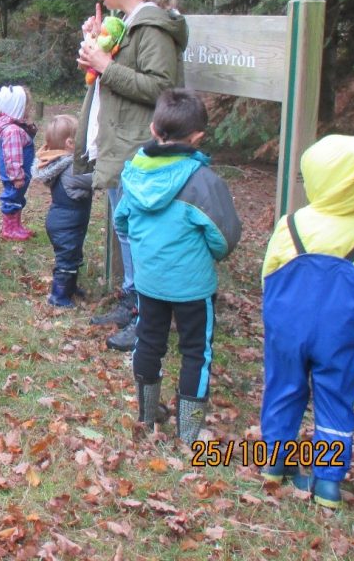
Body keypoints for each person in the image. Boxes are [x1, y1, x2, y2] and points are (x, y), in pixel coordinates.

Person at [260, 135, 354, 509]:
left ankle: (274, 463)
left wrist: (275, 320)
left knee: (282, 389)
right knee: (335, 400)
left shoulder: (290, 225)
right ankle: (327, 483)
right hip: (339, 338)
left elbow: (269, 274)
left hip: (286, 330)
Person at [75, 0, 188, 351]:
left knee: (141, 234)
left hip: (137, 145)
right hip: (118, 141)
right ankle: (132, 300)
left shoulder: (152, 27)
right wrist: (96, 50)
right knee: (126, 229)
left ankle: (148, 318)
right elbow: (116, 75)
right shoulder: (126, 23)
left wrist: (106, 66)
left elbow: (162, 89)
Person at [113, 89, 241, 445]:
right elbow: (224, 236)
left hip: (149, 281)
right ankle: (188, 432)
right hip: (193, 287)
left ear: (153, 129)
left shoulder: (134, 173)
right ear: (197, 137)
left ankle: (146, 415)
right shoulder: (204, 182)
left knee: (148, 341)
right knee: (196, 352)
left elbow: (121, 221)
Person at [31, 114, 93, 308]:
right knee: (66, 260)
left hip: (66, 221)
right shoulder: (72, 169)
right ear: (70, 143)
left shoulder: (60, 163)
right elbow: (96, 179)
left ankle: (70, 288)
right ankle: (58, 296)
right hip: (66, 223)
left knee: (73, 256)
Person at [0, 85, 36, 241]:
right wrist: (17, 176)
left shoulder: (17, 127)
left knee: (18, 198)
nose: (28, 110)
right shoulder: (12, 131)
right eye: (26, 107)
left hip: (21, 174)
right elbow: (12, 156)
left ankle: (16, 226)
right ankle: (9, 229)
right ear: (17, 108)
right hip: (15, 175)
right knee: (12, 198)